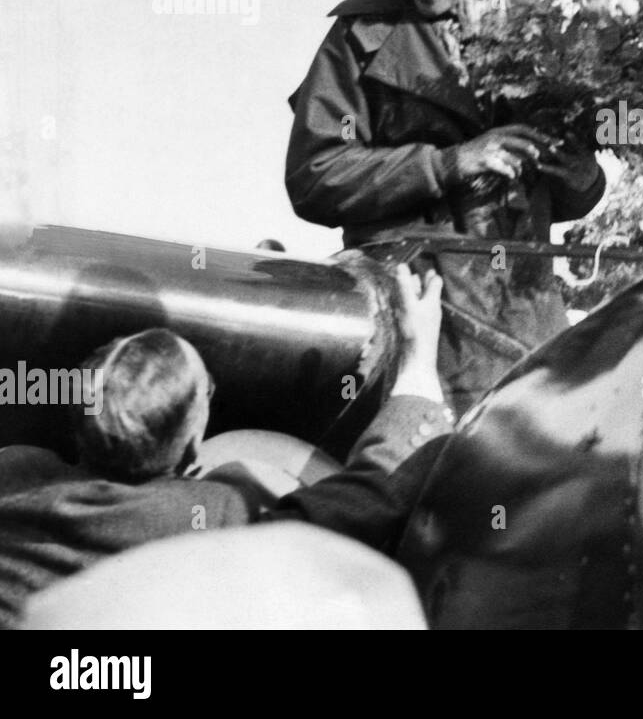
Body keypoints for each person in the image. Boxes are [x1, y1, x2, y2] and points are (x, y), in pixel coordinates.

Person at [285, 0, 606, 416]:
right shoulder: (360, 36)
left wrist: (580, 177)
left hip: (524, 316)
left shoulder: (549, 36)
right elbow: (315, 175)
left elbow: (575, 192)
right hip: (409, 312)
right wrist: (447, 163)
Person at [0, 266, 450, 628]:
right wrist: (418, 359)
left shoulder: (14, 473)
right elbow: (372, 495)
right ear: (193, 446)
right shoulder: (214, 517)